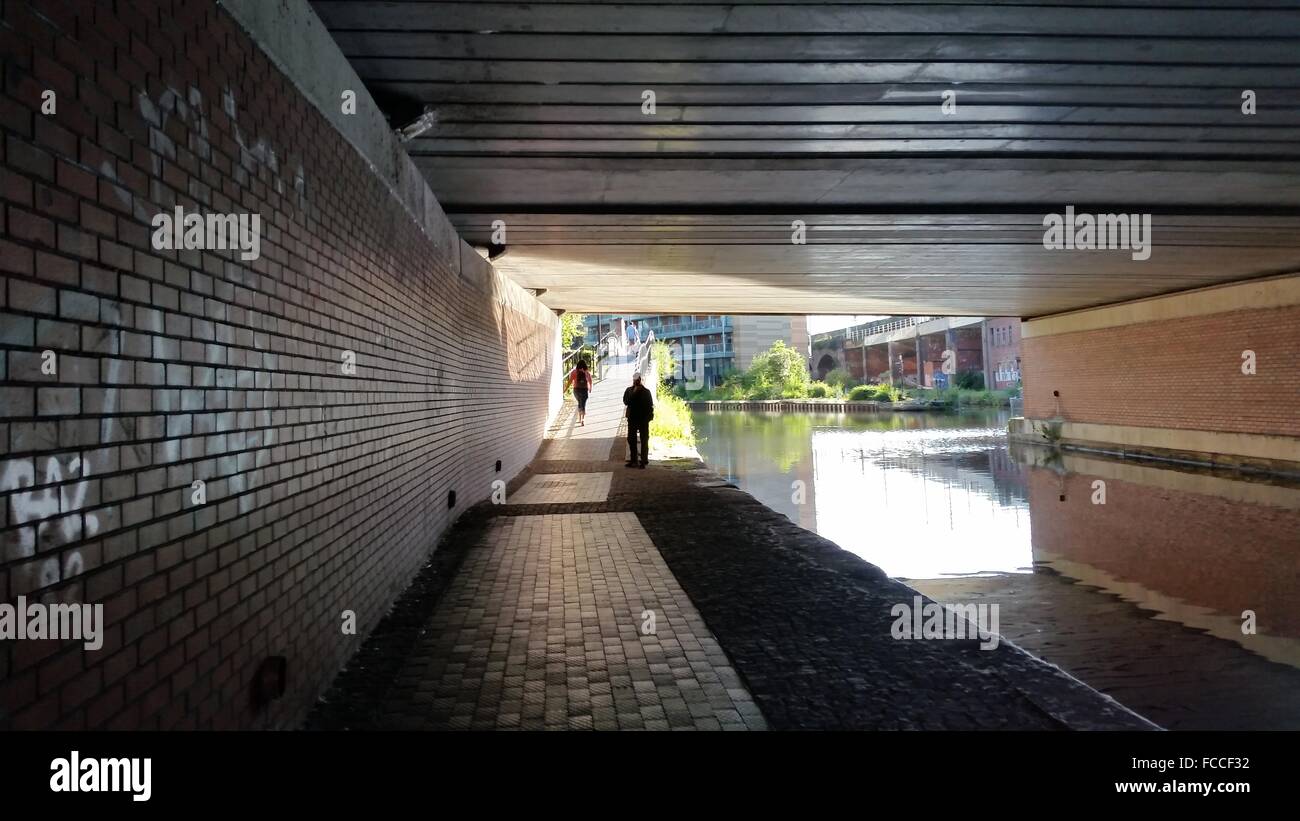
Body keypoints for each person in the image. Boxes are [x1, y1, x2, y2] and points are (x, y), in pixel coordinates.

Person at [622, 371, 653, 468]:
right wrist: (635, 392)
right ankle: (636, 460)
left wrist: (648, 417)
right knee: (633, 439)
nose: (637, 381)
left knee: (643, 439)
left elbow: (649, 405)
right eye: (636, 380)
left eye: (637, 380)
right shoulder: (630, 391)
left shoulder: (646, 392)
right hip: (635, 419)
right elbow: (626, 401)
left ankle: (642, 460)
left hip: (640, 419)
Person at [568, 360, 593, 426]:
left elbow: (570, 381)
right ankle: (582, 419)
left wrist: (565, 389)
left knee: (580, 402)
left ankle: (579, 418)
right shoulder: (587, 372)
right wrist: (590, 388)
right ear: (585, 366)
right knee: (583, 404)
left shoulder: (574, 372)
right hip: (584, 390)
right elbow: (590, 381)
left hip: (576, 390)